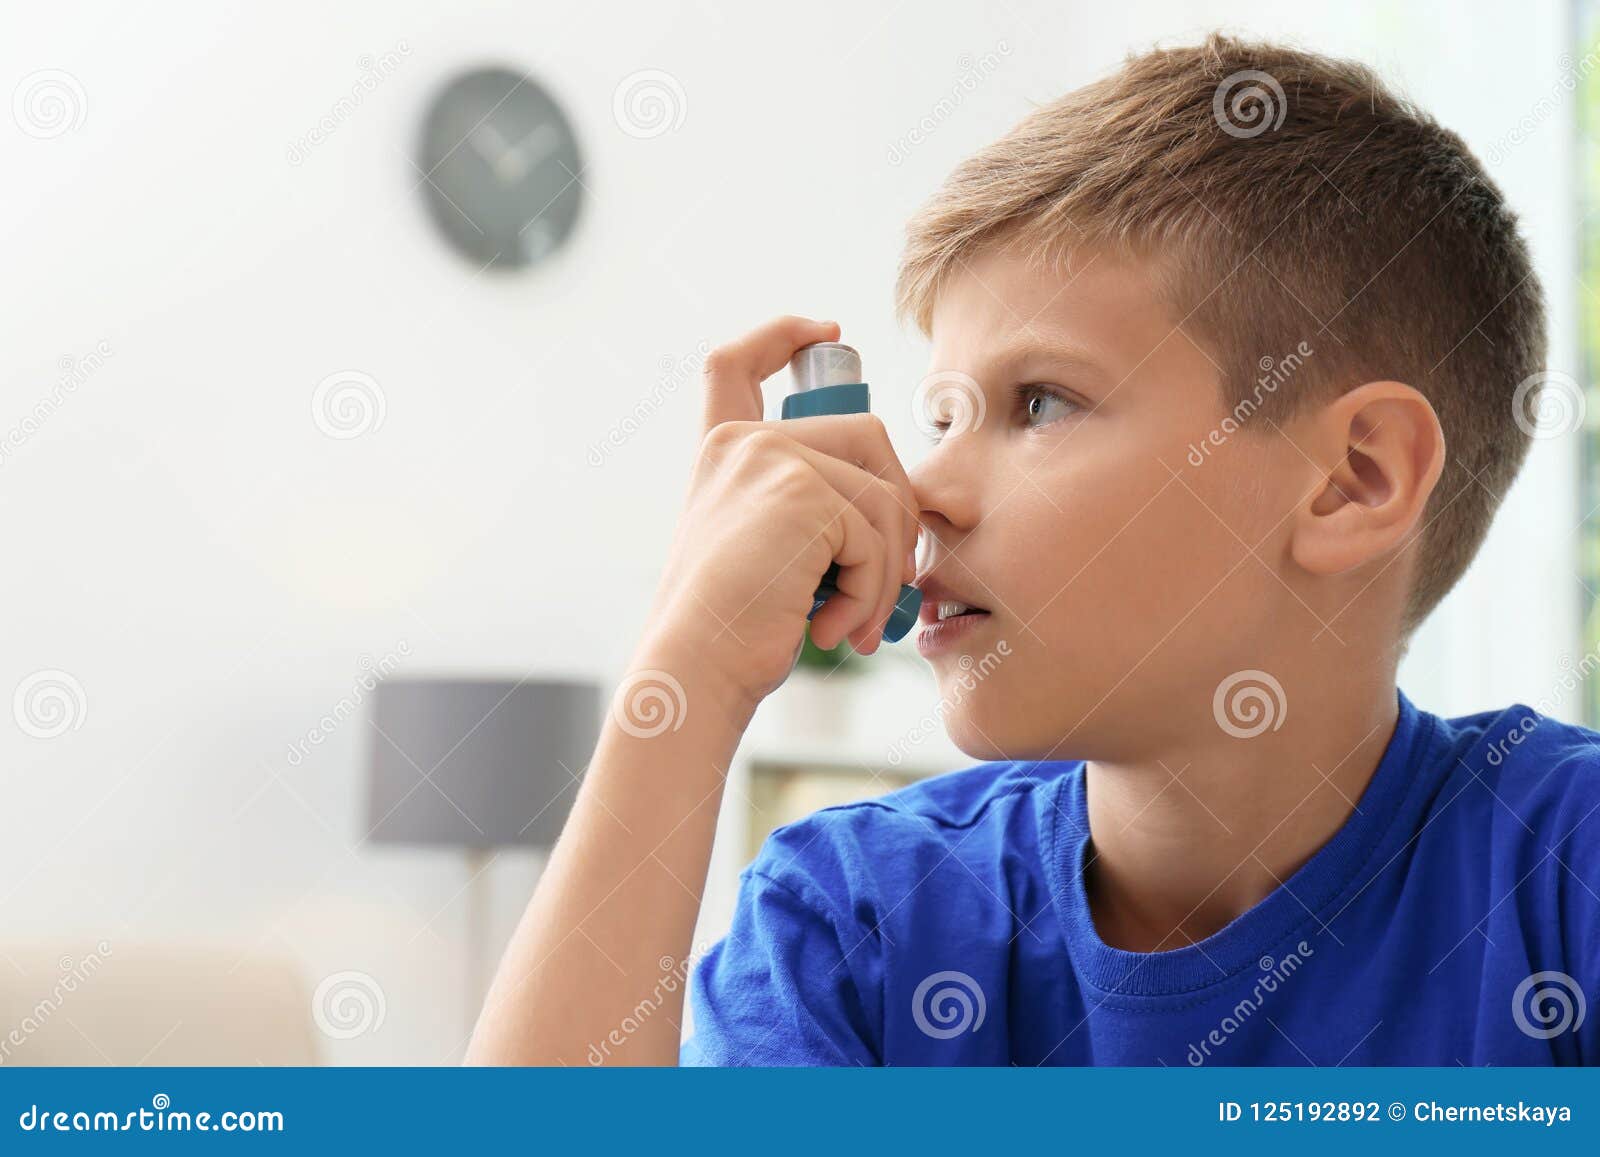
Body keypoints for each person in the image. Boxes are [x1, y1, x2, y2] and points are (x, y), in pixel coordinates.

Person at [465, 34, 1598, 1066]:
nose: (924, 489)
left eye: (1041, 403)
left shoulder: (1563, 872)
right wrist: (688, 670)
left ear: (1354, 478)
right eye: (942, 417)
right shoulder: (859, 920)